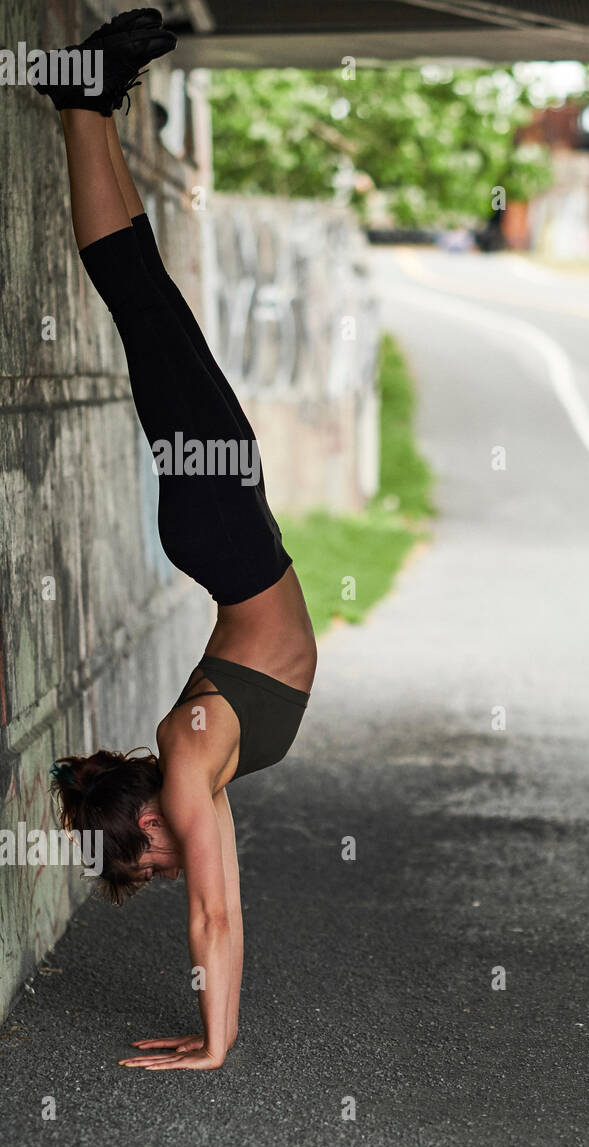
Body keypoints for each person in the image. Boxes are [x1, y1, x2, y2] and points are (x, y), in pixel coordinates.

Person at [40, 11, 317, 1072]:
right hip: (225, 523)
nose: (156, 865)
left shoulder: (191, 755)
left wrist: (215, 1042)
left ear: (145, 811)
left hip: (220, 519)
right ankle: (86, 102)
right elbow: (213, 904)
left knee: (142, 303)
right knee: (145, 302)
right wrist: (218, 1029)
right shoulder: (192, 757)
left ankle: (81, 99)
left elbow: (215, 916)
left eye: (140, 851)